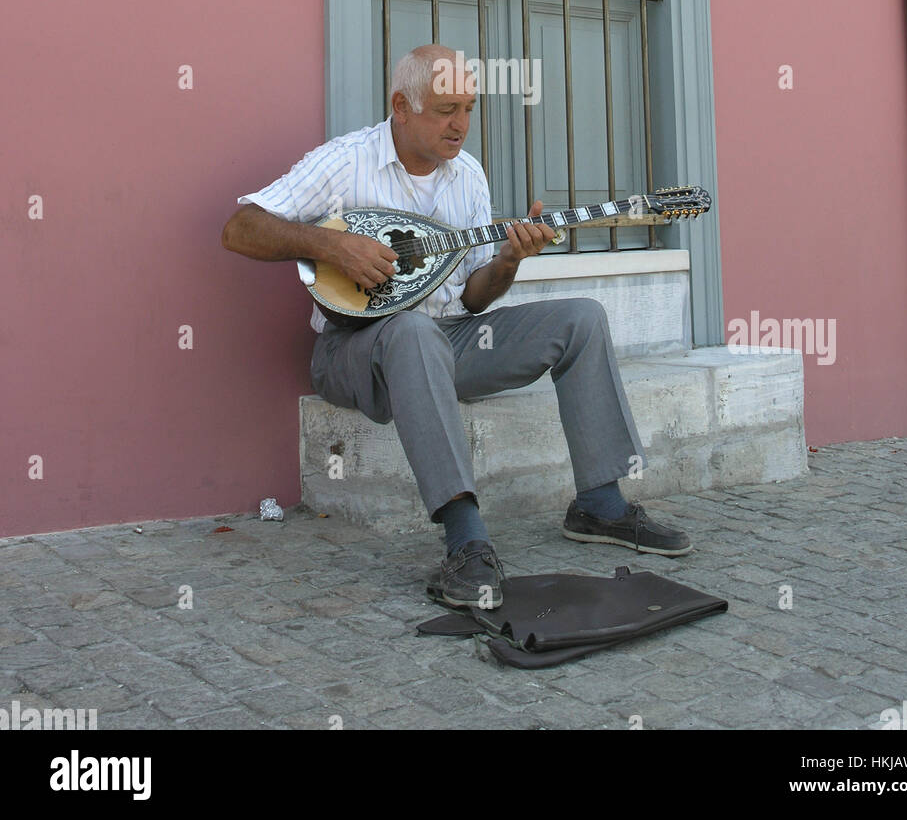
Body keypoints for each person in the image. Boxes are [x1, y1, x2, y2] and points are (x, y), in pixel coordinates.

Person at [221, 44, 691, 609]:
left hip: (448, 342)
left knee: (581, 319)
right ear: (401, 104)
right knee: (413, 335)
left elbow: (471, 298)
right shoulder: (345, 163)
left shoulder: (467, 175)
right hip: (354, 352)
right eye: (446, 109)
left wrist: (510, 260)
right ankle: (466, 540)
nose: (460, 124)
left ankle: (600, 503)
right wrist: (331, 244)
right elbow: (240, 227)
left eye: (469, 108)